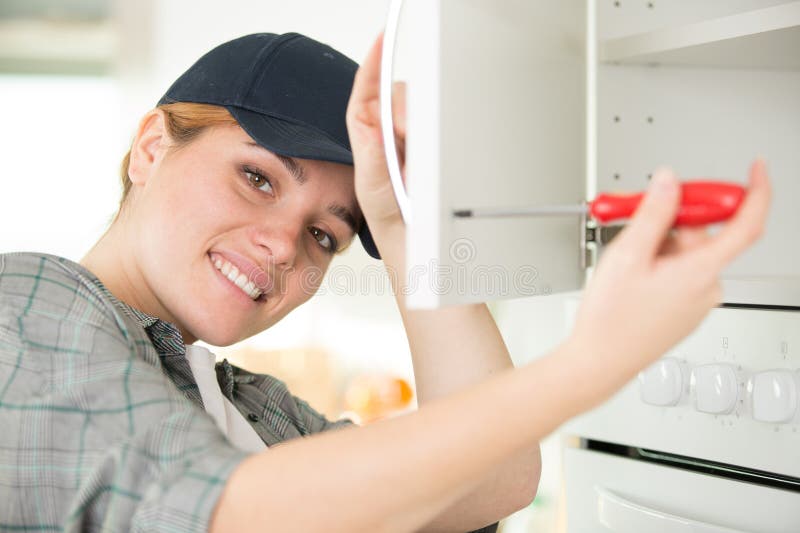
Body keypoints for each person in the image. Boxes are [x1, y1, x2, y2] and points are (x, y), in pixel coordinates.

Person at [0, 30, 769, 532]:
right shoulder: (29, 309)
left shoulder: (249, 409)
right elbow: (231, 513)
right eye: (257, 178)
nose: (280, 246)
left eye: (324, 234)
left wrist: (400, 227)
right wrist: (593, 361)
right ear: (150, 148)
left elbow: (491, 480)